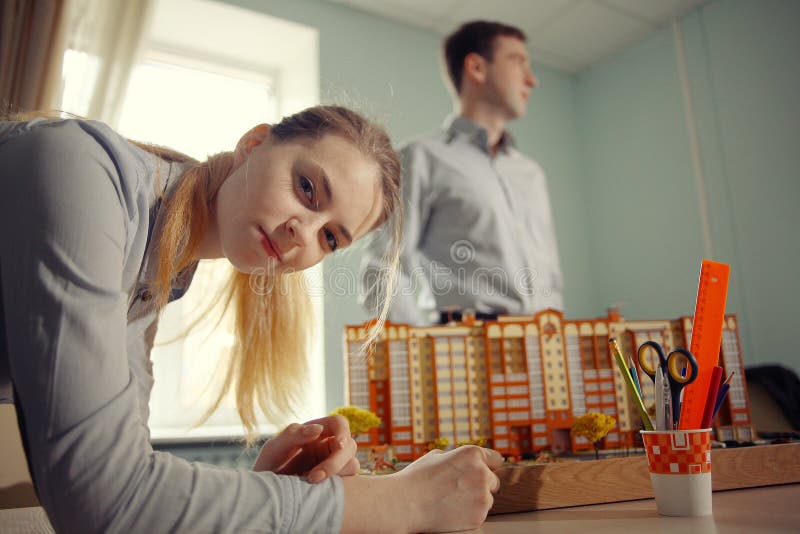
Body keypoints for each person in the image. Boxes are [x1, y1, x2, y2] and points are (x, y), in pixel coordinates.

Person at [0, 106, 503, 533]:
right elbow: (104, 500)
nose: (301, 233)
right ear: (253, 144)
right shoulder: (82, 169)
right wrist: (398, 501)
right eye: (307, 187)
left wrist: (274, 488)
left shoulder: (157, 273)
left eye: (330, 239)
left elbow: (130, 486)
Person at [362, 21, 564, 325]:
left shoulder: (531, 174)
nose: (532, 80)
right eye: (518, 62)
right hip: (465, 352)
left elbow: (551, 280)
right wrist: (430, 351)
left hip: (548, 348)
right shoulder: (422, 158)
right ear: (477, 68)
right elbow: (382, 270)